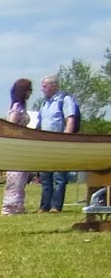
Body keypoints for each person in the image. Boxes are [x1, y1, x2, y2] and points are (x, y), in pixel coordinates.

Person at [35, 75, 81, 213]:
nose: (42, 89)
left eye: (44, 86)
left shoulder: (64, 100)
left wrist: (65, 140)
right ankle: (44, 206)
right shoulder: (45, 103)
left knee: (59, 177)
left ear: (53, 86)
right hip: (45, 144)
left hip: (59, 144)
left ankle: (56, 206)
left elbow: (70, 120)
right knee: (45, 177)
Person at [1, 77, 32, 215]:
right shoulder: (17, 108)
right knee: (16, 176)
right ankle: (10, 206)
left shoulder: (19, 106)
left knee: (21, 176)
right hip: (16, 145)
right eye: (29, 90)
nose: (30, 93)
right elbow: (12, 126)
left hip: (21, 145)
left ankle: (18, 204)